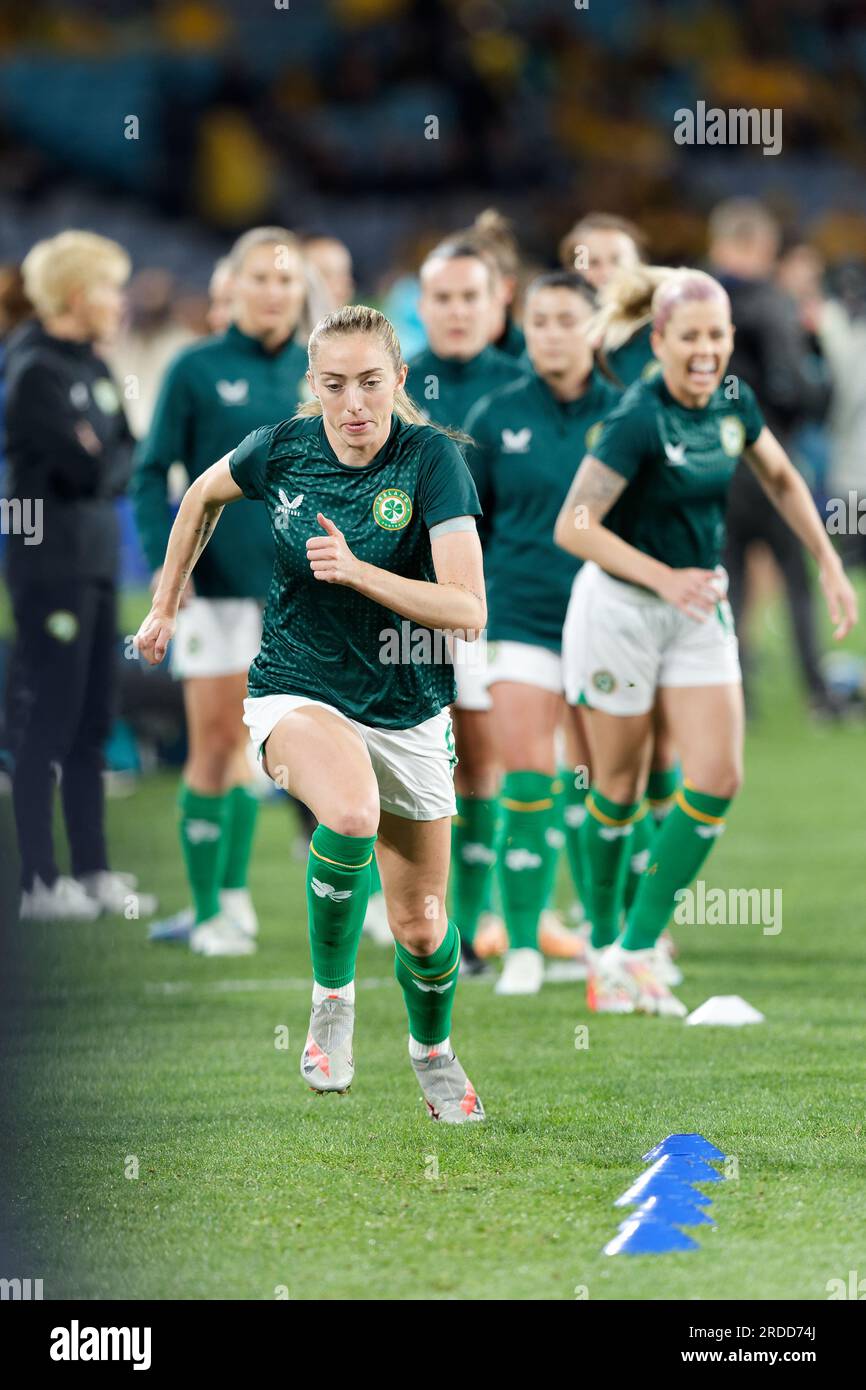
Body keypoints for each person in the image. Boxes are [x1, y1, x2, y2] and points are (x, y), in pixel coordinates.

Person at [134, 304, 487, 1123]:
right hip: (298, 687)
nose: (354, 403)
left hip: (409, 707)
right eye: (334, 384)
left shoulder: (431, 461)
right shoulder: (281, 447)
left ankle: (431, 1050)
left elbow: (467, 610)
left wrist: (361, 572)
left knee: (424, 930)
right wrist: (165, 604)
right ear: (313, 387)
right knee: (351, 809)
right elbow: (197, 494)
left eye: (370, 382)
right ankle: (331, 1002)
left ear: (399, 381)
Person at [555, 267, 857, 1015]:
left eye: (717, 335)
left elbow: (784, 478)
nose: (705, 349)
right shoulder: (637, 418)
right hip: (621, 609)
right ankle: (603, 943)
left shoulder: (733, 401)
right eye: (689, 336)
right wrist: (662, 579)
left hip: (696, 607)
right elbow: (575, 526)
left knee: (717, 777)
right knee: (617, 790)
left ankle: (635, 946)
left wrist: (826, 563)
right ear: (659, 340)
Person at [132, 226, 309, 956]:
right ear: (228, 287)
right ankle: (215, 908)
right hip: (214, 594)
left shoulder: (315, 369)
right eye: (259, 279)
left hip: (303, 596)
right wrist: (165, 572)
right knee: (214, 743)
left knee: (276, 752)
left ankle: (256, 903)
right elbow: (151, 472)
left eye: (286, 281)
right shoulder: (195, 368)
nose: (273, 293)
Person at [463, 271, 621, 994]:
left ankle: (608, 938)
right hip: (519, 618)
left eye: (566, 319)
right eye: (539, 319)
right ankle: (522, 946)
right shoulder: (494, 418)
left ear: (595, 328)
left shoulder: (628, 415)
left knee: (600, 788)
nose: (551, 332)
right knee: (527, 777)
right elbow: (471, 525)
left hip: (608, 622)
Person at [5, 231, 157, 921]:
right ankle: (39, 881)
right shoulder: (34, 370)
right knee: (50, 718)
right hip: (50, 567)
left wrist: (107, 453)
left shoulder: (91, 366)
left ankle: (91, 869)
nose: (119, 303)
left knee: (95, 717)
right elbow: (94, 467)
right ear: (75, 295)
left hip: (93, 562)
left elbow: (125, 455)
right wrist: (107, 455)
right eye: (109, 288)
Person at [409, 240, 526, 968]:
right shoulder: (392, 382)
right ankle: (416, 910)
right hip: (393, 608)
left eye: (470, 297)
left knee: (482, 762)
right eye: (442, 299)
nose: (456, 311)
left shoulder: (524, 384)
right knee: (410, 763)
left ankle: (474, 922)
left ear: (498, 301)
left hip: (486, 609)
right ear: (420, 307)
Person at [706, 198, 836, 716]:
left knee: (728, 583)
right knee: (796, 580)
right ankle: (818, 693)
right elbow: (795, 389)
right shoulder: (772, 301)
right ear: (762, 246)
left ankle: (736, 694)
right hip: (767, 456)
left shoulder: (695, 300)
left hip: (710, 462)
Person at [559, 212, 655, 385]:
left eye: (617, 261)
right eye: (593, 263)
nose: (607, 274)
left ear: (640, 265)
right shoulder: (555, 336)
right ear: (572, 271)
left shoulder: (666, 331)